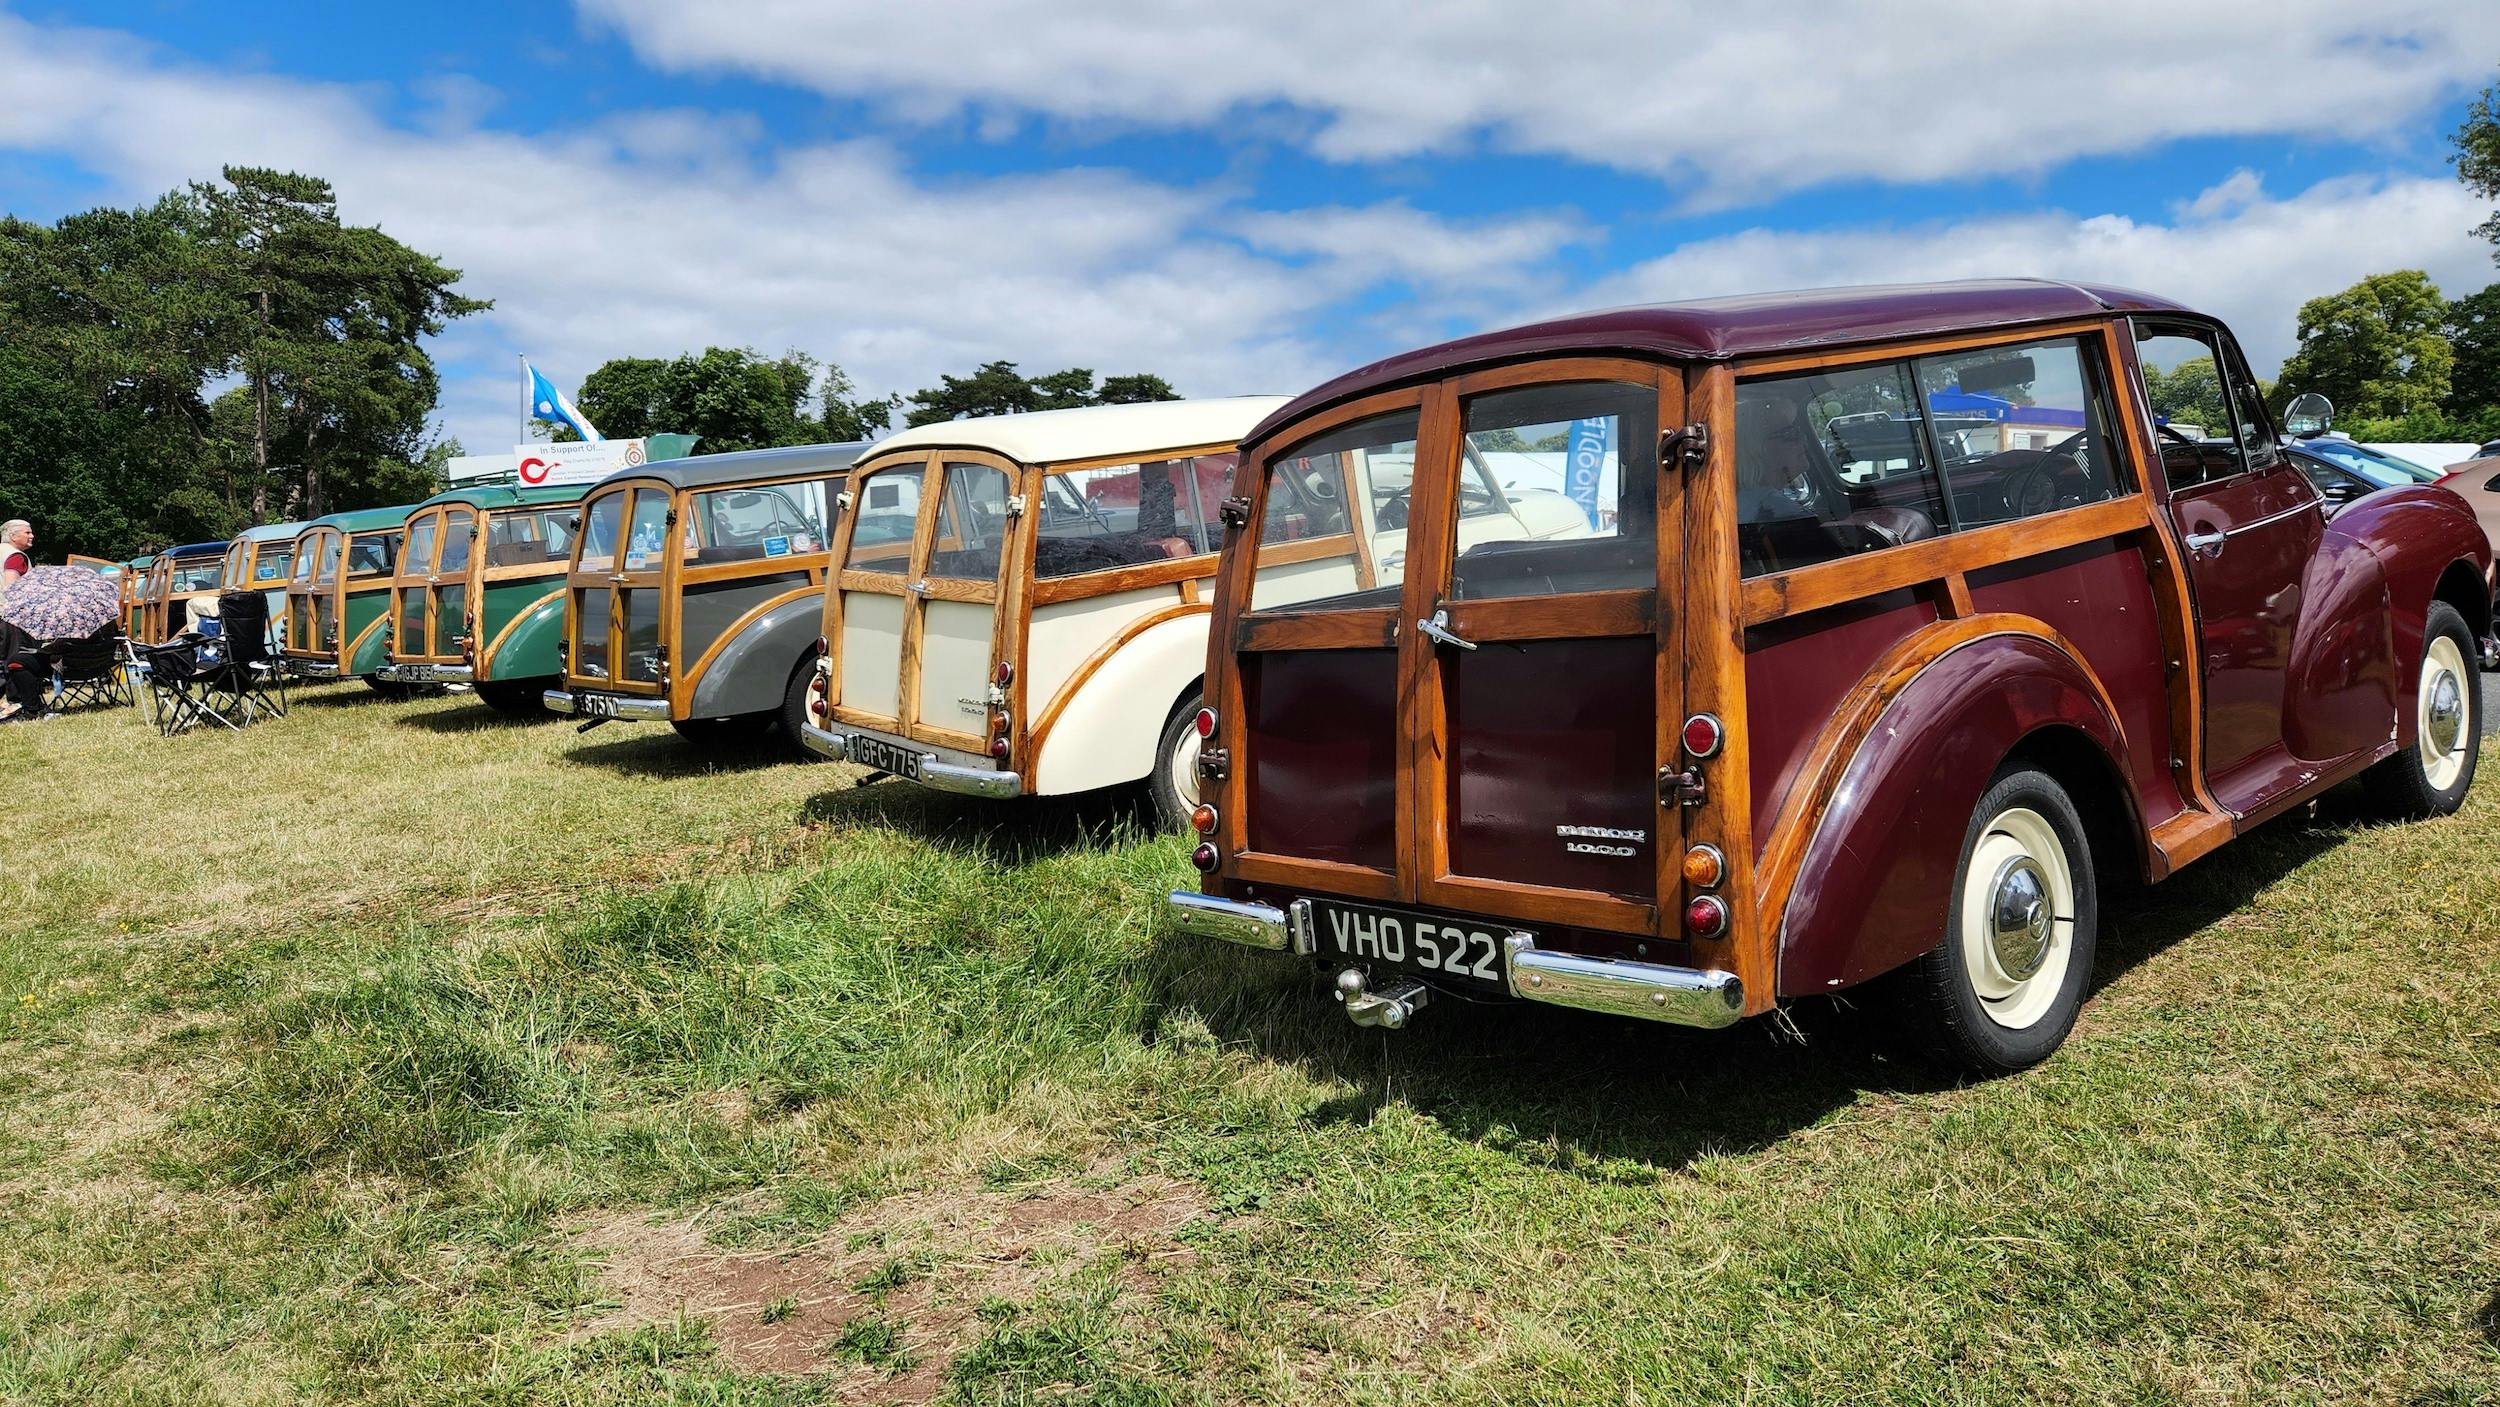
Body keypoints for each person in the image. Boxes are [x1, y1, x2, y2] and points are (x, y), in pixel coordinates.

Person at [0, 519, 31, 598]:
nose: (32, 536)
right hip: (6, 607)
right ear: (13, 536)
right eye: (27, 533)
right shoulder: (15, 556)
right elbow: (12, 589)